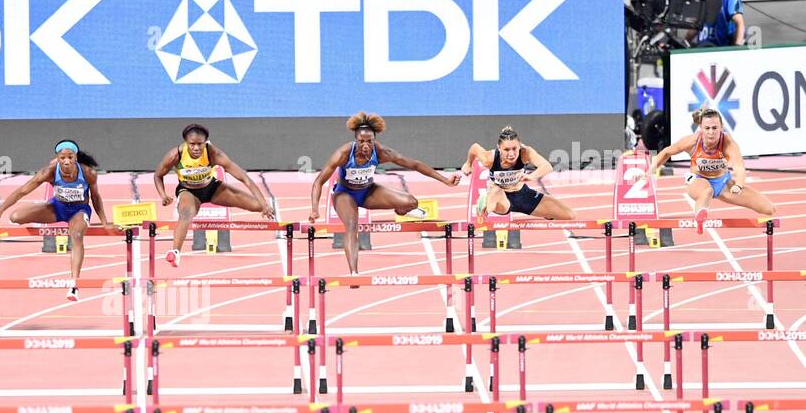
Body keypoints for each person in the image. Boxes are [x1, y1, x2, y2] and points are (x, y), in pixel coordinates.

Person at [308, 112, 457, 274]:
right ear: (355, 140)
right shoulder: (343, 154)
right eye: (361, 141)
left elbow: (415, 164)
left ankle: (399, 210)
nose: (365, 145)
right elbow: (318, 182)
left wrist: (445, 180)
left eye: (369, 141)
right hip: (345, 194)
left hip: (368, 192)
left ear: (374, 141)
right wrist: (315, 209)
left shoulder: (381, 152)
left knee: (411, 203)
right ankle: (354, 273)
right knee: (351, 226)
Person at [0, 140, 114, 302]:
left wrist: (104, 221)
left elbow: (96, 198)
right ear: (57, 158)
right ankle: (25, 212)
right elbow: (22, 191)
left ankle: (74, 285)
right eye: (62, 158)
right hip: (57, 208)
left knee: (76, 234)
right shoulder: (49, 171)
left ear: (76, 157)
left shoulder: (88, 173)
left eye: (70, 157)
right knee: (15, 217)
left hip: (79, 211)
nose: (66, 161)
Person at [153, 124, 275, 268]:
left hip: (212, 188)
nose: (196, 148)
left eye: (200, 144)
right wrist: (163, 195)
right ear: (186, 142)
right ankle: (175, 252)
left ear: (206, 142)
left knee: (258, 206)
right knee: (186, 214)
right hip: (189, 192)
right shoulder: (175, 155)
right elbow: (158, 175)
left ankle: (264, 207)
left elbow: (244, 178)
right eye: (192, 144)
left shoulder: (214, 154)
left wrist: (264, 204)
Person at [650, 107, 774, 235]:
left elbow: (739, 167)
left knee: (769, 209)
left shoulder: (728, 143)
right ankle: (700, 219)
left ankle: (703, 212)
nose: (711, 132)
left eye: (715, 128)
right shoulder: (692, 141)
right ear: (701, 128)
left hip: (723, 183)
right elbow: (666, 152)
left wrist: (738, 185)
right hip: (698, 181)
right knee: (706, 191)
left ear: (721, 127)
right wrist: (648, 172)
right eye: (707, 128)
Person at [461, 125, 574, 224]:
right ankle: (484, 210)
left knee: (570, 215)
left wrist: (531, 176)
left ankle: (545, 212)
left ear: (519, 145)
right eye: (506, 150)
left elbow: (547, 166)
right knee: (495, 190)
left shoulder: (525, 152)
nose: (511, 153)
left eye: (514, 148)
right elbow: (474, 147)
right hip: (503, 199)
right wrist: (468, 164)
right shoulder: (489, 159)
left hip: (524, 195)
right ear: (499, 148)